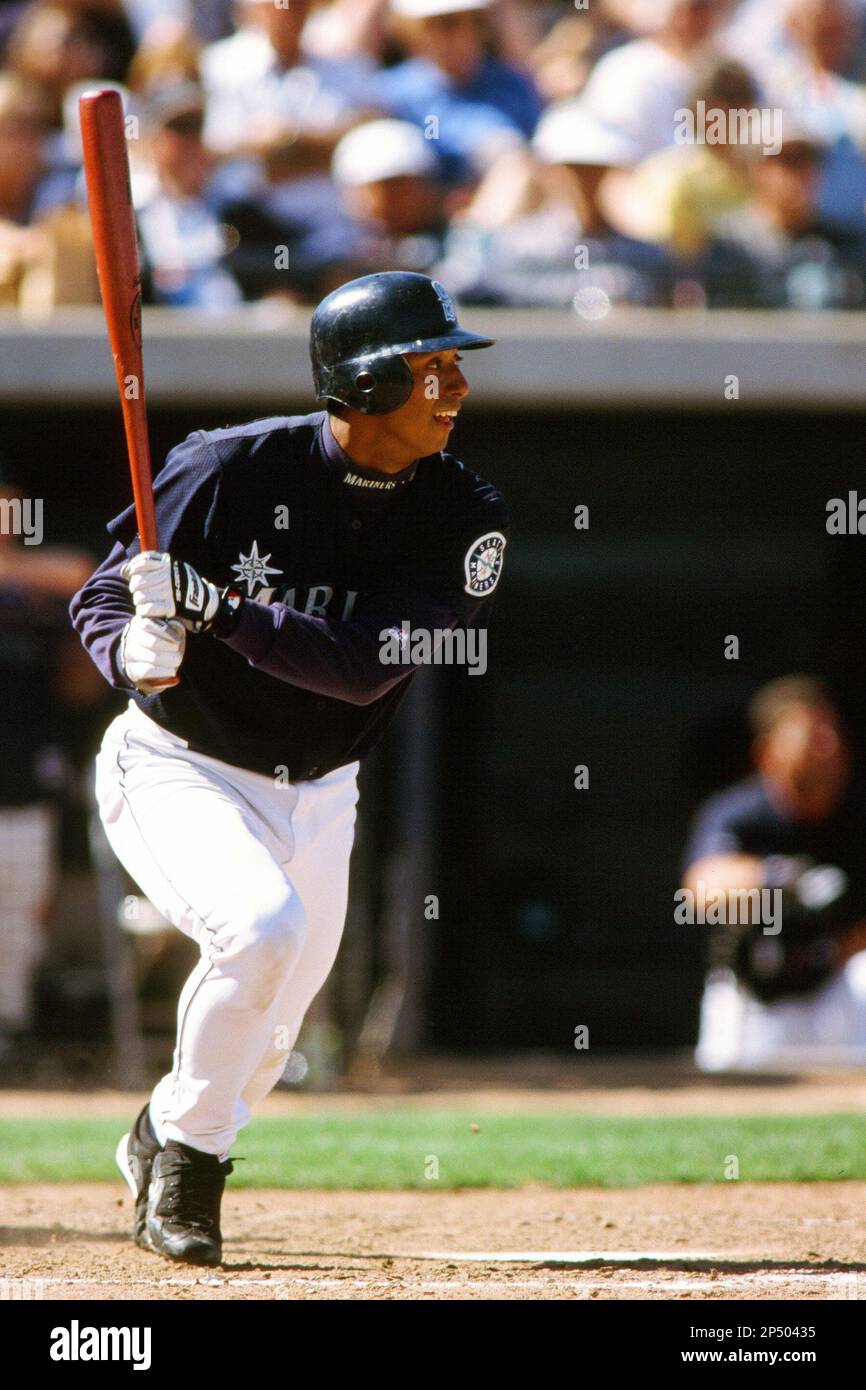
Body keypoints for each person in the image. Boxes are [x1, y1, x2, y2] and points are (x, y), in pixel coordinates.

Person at [70, 271, 510, 1267]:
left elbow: (361, 668)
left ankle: (160, 1129)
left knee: (270, 1034)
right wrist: (126, 647)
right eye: (431, 368)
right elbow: (103, 601)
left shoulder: (462, 515)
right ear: (361, 387)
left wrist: (219, 611)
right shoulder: (223, 467)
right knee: (258, 931)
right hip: (180, 762)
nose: (455, 388)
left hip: (319, 786)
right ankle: (186, 1171)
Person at [682, 676, 866, 1072]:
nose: (827, 749)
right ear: (768, 752)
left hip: (837, 990)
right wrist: (781, 878)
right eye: (811, 739)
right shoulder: (739, 812)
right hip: (756, 993)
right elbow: (701, 889)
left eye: (832, 736)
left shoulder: (856, 815)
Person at [0, 464, 95, 1068]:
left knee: (18, 909)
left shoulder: (37, 583)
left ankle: (6, 1028)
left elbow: (81, 574)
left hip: (21, 775)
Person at [701, 120, 866, 307]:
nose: (802, 172)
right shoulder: (727, 245)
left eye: (810, 159)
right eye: (787, 160)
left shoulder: (846, 244)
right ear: (755, 168)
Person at [377, 0, 543, 186]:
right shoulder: (392, 93)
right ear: (410, 31)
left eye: (454, 23)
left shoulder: (512, 84)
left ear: (480, 25)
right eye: (433, 25)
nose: (445, 37)